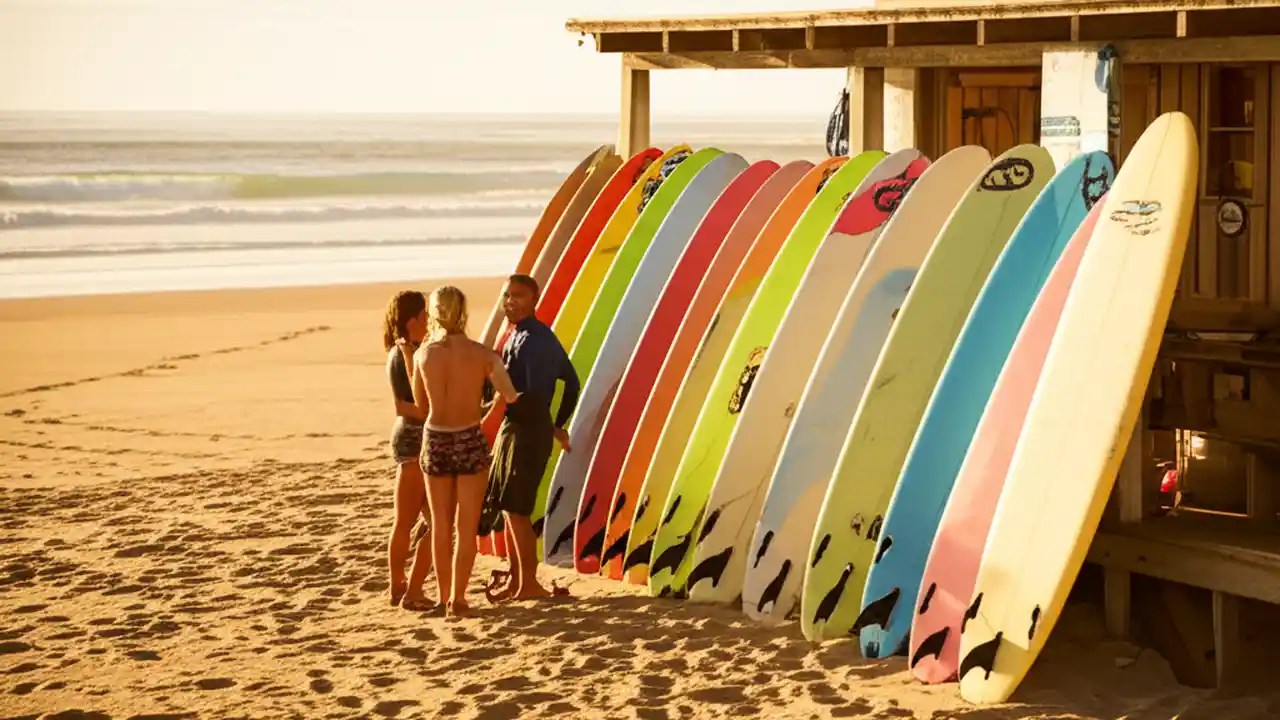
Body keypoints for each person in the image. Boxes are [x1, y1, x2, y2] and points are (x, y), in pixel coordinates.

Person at [404, 285, 519, 618]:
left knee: (440, 525)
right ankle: (459, 598)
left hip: (437, 439)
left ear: (435, 312)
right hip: (469, 438)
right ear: (463, 312)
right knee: (465, 526)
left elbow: (422, 406)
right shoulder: (482, 354)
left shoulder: (424, 354)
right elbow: (509, 395)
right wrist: (483, 408)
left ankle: (442, 598)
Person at [484, 274, 578, 603]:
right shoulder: (515, 334)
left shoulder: (537, 339)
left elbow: (568, 383)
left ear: (534, 299)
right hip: (517, 428)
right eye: (506, 295)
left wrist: (554, 424)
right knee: (510, 508)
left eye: (518, 296)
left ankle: (529, 584)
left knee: (518, 508)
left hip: (528, 431)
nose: (510, 301)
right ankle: (517, 579)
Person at [382, 290, 435, 611]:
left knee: (434, 521)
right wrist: (434, 413)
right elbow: (402, 405)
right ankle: (399, 583)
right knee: (407, 519)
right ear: (413, 319)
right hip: (412, 440)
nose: (429, 320)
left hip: (424, 439)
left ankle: (409, 585)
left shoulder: (417, 350)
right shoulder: (399, 355)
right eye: (425, 315)